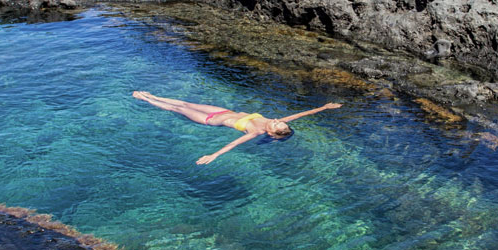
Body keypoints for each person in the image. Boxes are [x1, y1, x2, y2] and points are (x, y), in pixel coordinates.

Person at [132, 91, 343, 164]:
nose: (278, 119)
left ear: (271, 132)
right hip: (223, 111)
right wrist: (324, 107)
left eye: (278, 123)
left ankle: (146, 100)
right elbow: (300, 114)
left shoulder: (257, 131)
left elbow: (234, 143)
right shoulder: (270, 121)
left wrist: (214, 155)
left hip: (212, 121)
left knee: (177, 110)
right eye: (280, 120)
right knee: (185, 103)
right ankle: (153, 95)